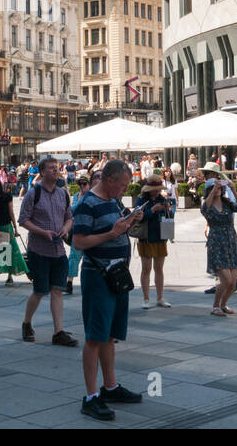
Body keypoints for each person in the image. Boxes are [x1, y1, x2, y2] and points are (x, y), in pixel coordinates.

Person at [72, 159, 142, 421]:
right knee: (94, 336)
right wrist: (111, 235)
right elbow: (78, 242)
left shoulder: (113, 201)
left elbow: (118, 229)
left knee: (109, 335)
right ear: (109, 180)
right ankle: (90, 397)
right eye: (123, 185)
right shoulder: (87, 204)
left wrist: (131, 221)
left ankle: (110, 386)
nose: (125, 189)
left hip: (116, 275)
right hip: (98, 275)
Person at [18, 156, 78, 346]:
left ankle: (58, 332)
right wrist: (43, 232)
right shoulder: (33, 194)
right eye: (51, 168)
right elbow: (23, 220)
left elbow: (69, 217)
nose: (55, 170)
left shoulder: (63, 194)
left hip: (59, 251)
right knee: (39, 291)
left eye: (56, 168)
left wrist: (66, 228)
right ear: (42, 172)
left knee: (57, 291)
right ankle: (27, 322)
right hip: (39, 250)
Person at [201, 178, 237, 315]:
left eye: (219, 187)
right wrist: (213, 192)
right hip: (217, 243)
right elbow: (203, 209)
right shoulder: (208, 205)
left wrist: (234, 190)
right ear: (209, 190)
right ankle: (215, 306)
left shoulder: (227, 203)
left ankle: (223, 305)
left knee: (233, 281)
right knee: (226, 279)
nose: (217, 189)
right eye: (214, 187)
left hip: (231, 242)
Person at [134, 173, 174, 310]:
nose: (157, 192)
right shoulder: (141, 200)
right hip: (146, 237)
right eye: (155, 189)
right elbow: (138, 217)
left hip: (160, 236)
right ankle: (146, 298)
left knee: (159, 268)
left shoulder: (162, 199)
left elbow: (170, 216)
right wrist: (152, 210)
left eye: (158, 189)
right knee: (146, 269)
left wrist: (168, 210)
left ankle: (159, 298)